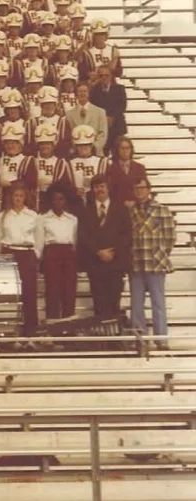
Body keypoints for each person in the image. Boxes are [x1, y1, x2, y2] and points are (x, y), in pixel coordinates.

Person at [129, 178, 175, 350]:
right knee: (136, 303)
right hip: (137, 263)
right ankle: (139, 337)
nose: (139, 191)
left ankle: (161, 338)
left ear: (149, 190)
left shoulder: (161, 210)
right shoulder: (131, 211)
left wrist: (160, 253)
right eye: (136, 188)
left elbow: (170, 237)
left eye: (142, 188)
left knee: (158, 302)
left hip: (155, 263)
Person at [78, 174, 131, 321]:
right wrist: (98, 252)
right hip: (95, 264)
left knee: (114, 303)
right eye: (96, 187)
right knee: (99, 304)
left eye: (102, 186)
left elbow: (126, 235)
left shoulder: (121, 209)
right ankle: (100, 339)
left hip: (115, 264)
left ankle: (114, 338)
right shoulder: (85, 210)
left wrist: (112, 252)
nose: (99, 189)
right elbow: (83, 236)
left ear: (108, 189)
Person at [0, 181, 43, 338]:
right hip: (9, 255)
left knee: (29, 293)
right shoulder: (2, 216)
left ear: (25, 197)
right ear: (11, 197)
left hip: (26, 255)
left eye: (21, 196)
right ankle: (9, 331)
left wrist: (35, 255)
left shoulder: (33, 216)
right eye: (16, 195)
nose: (18, 199)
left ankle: (31, 331)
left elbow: (39, 239)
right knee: (9, 294)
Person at [39, 185, 78, 321]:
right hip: (52, 253)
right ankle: (53, 325)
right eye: (55, 199)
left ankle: (69, 326)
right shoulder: (43, 218)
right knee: (53, 290)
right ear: (51, 201)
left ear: (65, 201)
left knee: (69, 290)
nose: (58, 202)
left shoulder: (72, 219)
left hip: (68, 254)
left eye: (61, 199)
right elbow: (40, 240)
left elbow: (74, 240)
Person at [90, 65, 127, 153]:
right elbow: (93, 107)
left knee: (118, 154)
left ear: (111, 76)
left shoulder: (119, 89)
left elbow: (122, 106)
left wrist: (112, 117)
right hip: (102, 127)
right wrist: (104, 118)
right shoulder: (94, 90)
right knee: (103, 153)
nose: (104, 78)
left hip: (117, 125)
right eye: (101, 76)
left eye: (106, 75)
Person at [65, 83, 108, 157]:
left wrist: (94, 148)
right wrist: (77, 148)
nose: (82, 93)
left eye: (85, 91)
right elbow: (69, 134)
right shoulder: (69, 114)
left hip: (96, 154)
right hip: (77, 154)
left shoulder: (100, 112)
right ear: (76, 94)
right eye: (80, 91)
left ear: (89, 93)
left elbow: (103, 134)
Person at [107, 137, 147, 207]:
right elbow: (110, 191)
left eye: (128, 148)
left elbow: (144, 188)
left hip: (137, 207)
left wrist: (135, 202)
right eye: (122, 148)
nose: (125, 151)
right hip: (117, 207)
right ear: (117, 150)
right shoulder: (110, 169)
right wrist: (122, 202)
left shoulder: (140, 168)